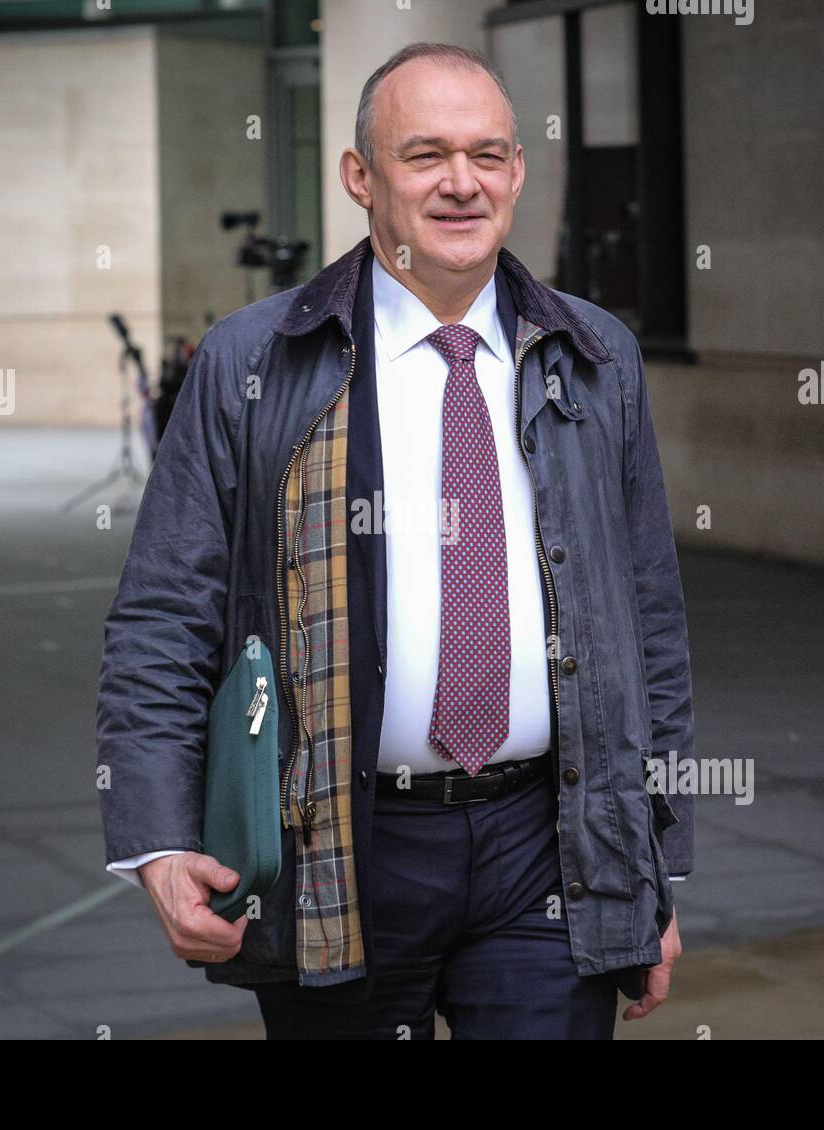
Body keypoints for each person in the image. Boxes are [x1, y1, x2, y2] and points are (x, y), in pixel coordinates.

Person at [96, 41, 695, 1040]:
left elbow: (651, 627)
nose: (462, 182)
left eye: (487, 154)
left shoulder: (597, 357)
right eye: (424, 154)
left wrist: (654, 867)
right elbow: (163, 616)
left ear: (517, 171)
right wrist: (157, 836)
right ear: (360, 177)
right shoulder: (256, 359)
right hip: (337, 839)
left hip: (543, 844)